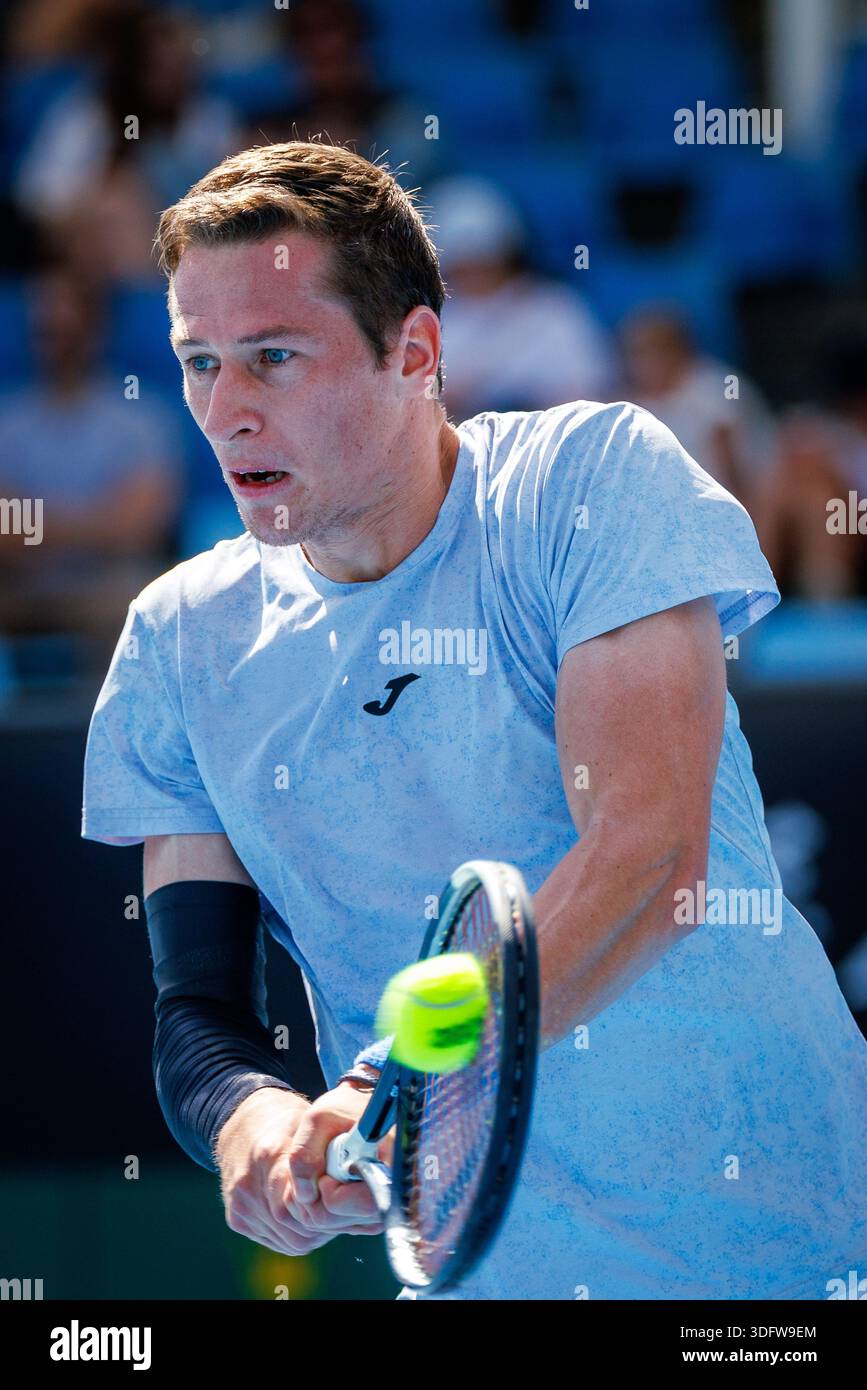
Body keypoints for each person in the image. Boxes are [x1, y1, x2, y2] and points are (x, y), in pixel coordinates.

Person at [81, 141, 867, 1300]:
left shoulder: (591, 478)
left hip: (800, 1272)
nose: (224, 411)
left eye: (273, 358)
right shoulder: (176, 640)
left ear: (416, 352)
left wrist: (398, 1073)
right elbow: (200, 1012)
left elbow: (650, 859)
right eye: (197, 362)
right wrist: (260, 1134)